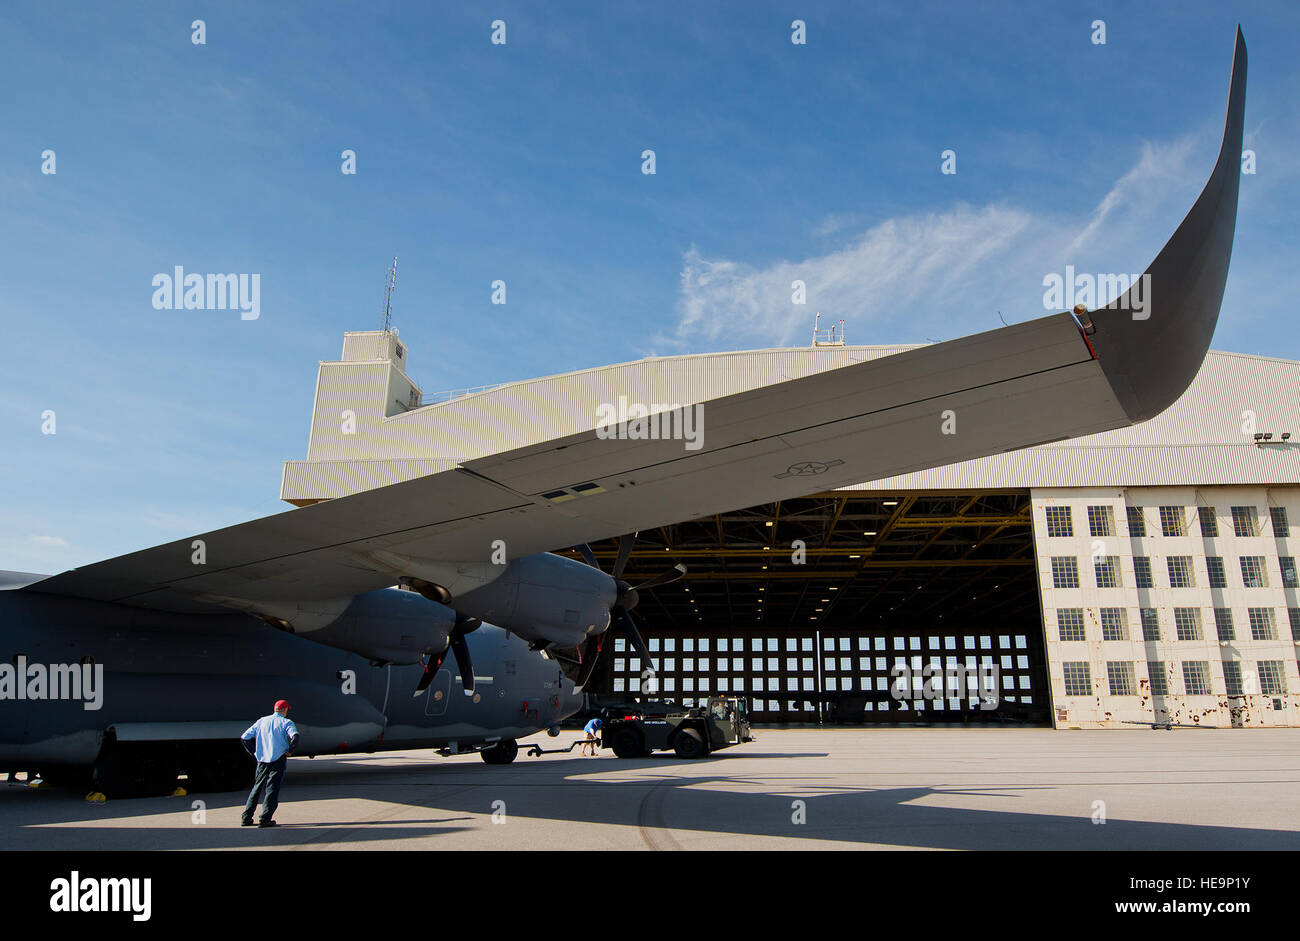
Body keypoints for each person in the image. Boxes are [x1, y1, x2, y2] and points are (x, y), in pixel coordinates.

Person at [240, 700, 299, 828]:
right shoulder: (286, 722)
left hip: (262, 760)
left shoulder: (262, 721)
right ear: (284, 710)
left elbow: (245, 737)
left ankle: (246, 817)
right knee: (272, 789)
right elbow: (295, 737)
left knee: (256, 788)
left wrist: (253, 752)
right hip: (278, 759)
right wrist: (290, 751)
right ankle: (265, 818)